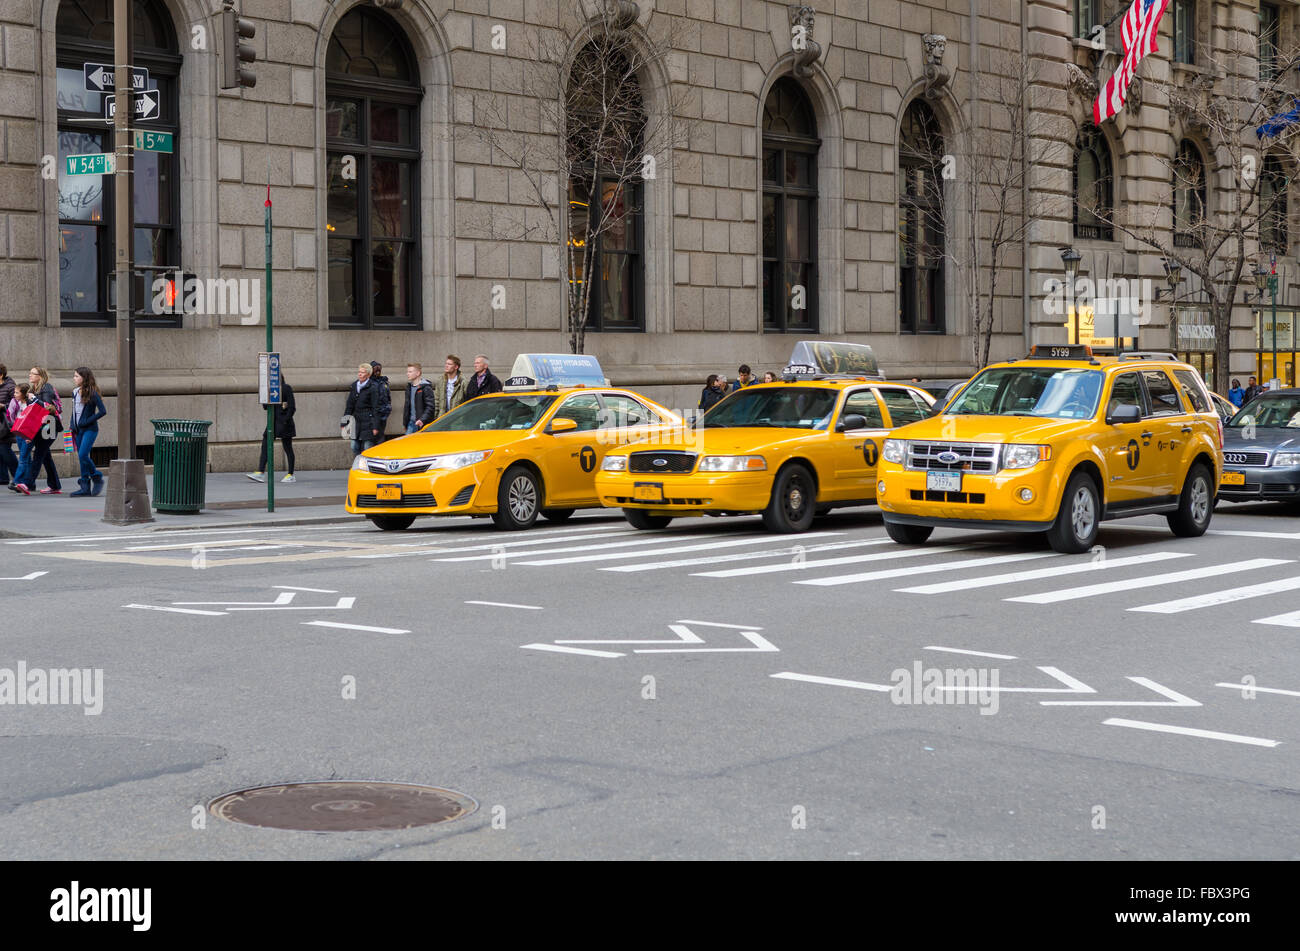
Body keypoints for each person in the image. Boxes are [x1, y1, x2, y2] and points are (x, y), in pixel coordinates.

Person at [247, 378, 297, 483]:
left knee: (287, 447)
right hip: (273, 422)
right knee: (265, 443)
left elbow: (292, 407)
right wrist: (264, 395)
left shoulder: (286, 388)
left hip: (284, 422)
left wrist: (285, 420)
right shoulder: (270, 390)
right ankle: (261, 471)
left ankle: (290, 474)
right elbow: (265, 407)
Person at [68, 366, 107, 497]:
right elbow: (75, 412)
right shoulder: (74, 391)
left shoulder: (92, 392)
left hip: (90, 429)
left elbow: (103, 411)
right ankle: (84, 487)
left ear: (84, 378)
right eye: (74, 376)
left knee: (83, 455)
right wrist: (72, 425)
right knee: (82, 458)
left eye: (76, 376)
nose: (74, 378)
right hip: (78, 430)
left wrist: (88, 420)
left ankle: (97, 476)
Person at [27, 366, 62, 495]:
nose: (30, 375)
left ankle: (27, 483)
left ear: (40, 376)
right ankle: (54, 485)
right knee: (45, 456)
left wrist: (34, 399)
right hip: (42, 425)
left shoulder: (46, 388)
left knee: (39, 454)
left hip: (49, 424)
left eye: (32, 373)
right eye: (30, 373)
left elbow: (48, 407)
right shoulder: (34, 389)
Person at [344, 363, 382, 455]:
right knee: (354, 446)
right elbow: (349, 405)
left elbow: (376, 407)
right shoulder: (354, 386)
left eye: (363, 372)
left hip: (368, 421)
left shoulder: (373, 387)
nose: (360, 374)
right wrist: (344, 421)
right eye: (359, 372)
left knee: (367, 447)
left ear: (368, 375)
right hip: (356, 420)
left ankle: (367, 466)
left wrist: (376, 426)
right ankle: (359, 463)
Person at [6, 381, 31, 492]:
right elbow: (10, 415)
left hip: (27, 433)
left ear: (24, 394)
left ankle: (17, 481)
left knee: (23, 458)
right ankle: (28, 481)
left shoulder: (29, 403)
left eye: (17, 393)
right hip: (19, 432)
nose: (14, 394)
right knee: (25, 457)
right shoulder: (15, 402)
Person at [403, 363, 436, 434]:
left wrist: (422, 420)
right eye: (407, 371)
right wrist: (405, 423)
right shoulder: (409, 387)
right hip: (410, 423)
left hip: (421, 424)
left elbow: (430, 407)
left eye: (410, 372)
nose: (407, 374)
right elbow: (407, 407)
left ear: (418, 373)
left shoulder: (426, 388)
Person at [0, 364, 15, 486]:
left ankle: (19, 476)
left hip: (6, 424)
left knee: (5, 449)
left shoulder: (10, 387)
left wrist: (3, 406)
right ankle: (3, 477)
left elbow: (16, 403)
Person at [368, 360, 392, 440]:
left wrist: (388, 408)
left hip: (383, 415)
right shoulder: (368, 382)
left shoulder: (384, 382)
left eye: (379, 369)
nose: (378, 371)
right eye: (375, 369)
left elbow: (388, 397)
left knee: (380, 437)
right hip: (372, 416)